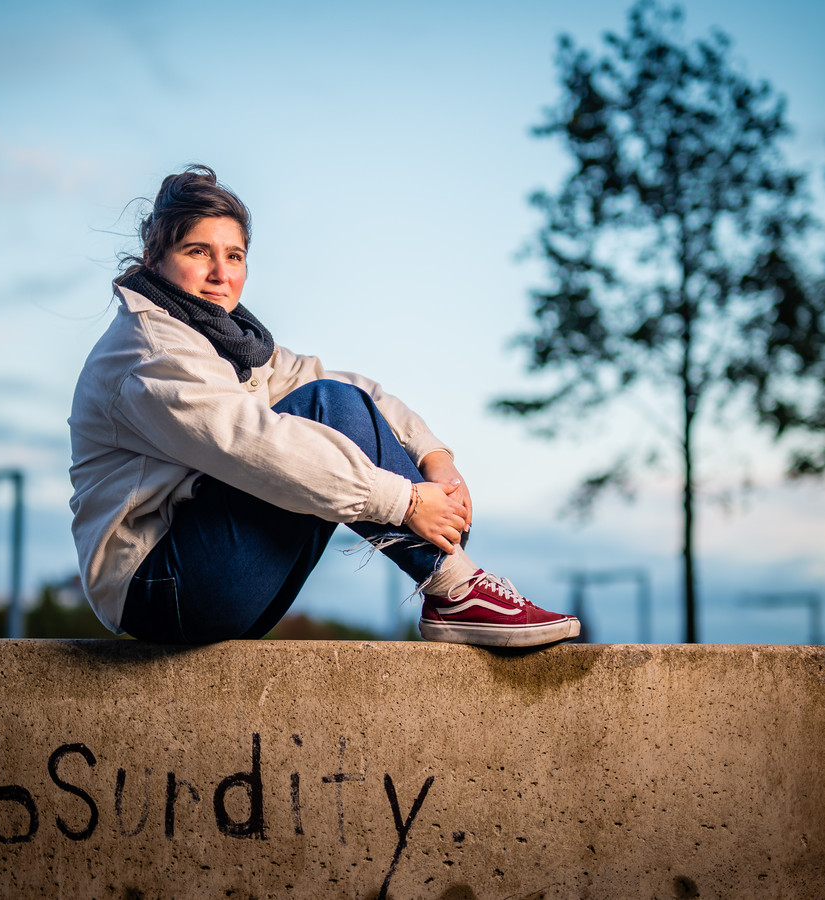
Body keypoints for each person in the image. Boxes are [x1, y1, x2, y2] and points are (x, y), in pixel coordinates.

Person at [68, 165, 579, 647]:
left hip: (200, 577)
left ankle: (454, 586)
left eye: (235, 256)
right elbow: (257, 447)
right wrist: (405, 502)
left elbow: (342, 387)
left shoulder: (221, 339)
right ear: (156, 259)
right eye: (198, 251)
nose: (221, 273)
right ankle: (456, 589)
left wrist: (433, 457)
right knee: (323, 411)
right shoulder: (152, 352)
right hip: (159, 587)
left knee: (336, 400)